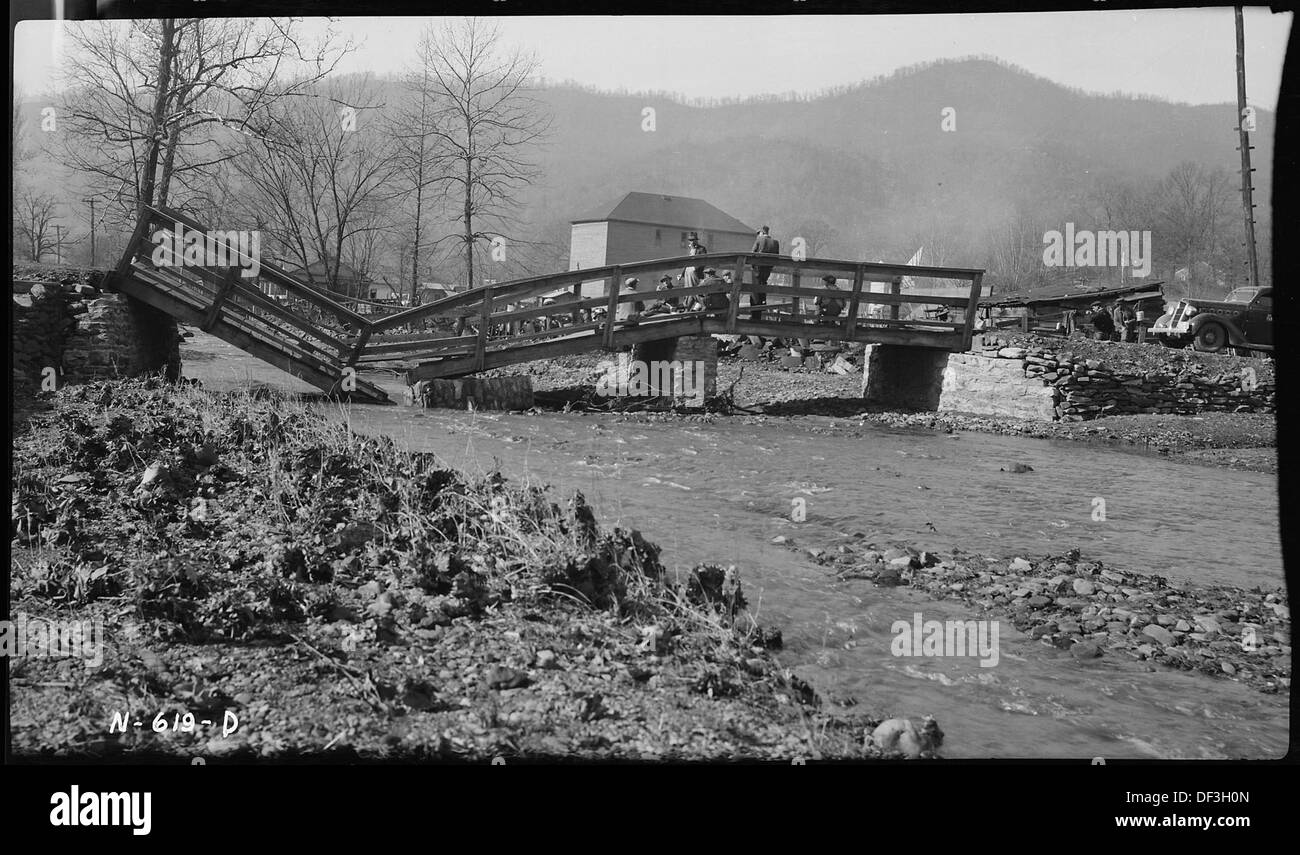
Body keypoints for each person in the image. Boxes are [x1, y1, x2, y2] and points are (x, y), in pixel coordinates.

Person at [751, 226, 779, 322]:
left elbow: (752, 253)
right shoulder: (775, 242)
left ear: (762, 233)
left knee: (754, 292)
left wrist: (752, 266)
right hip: (767, 271)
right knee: (763, 287)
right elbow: (777, 258)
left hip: (757, 270)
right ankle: (762, 306)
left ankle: (755, 316)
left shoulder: (759, 239)